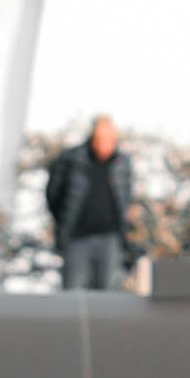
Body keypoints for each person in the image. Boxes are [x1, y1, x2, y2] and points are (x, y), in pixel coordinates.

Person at [43, 111, 136, 293]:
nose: (105, 144)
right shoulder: (71, 160)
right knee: (74, 296)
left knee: (108, 295)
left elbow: (125, 198)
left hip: (110, 240)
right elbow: (53, 194)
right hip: (76, 239)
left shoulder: (121, 163)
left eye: (109, 139)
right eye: (101, 138)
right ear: (92, 137)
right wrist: (63, 222)